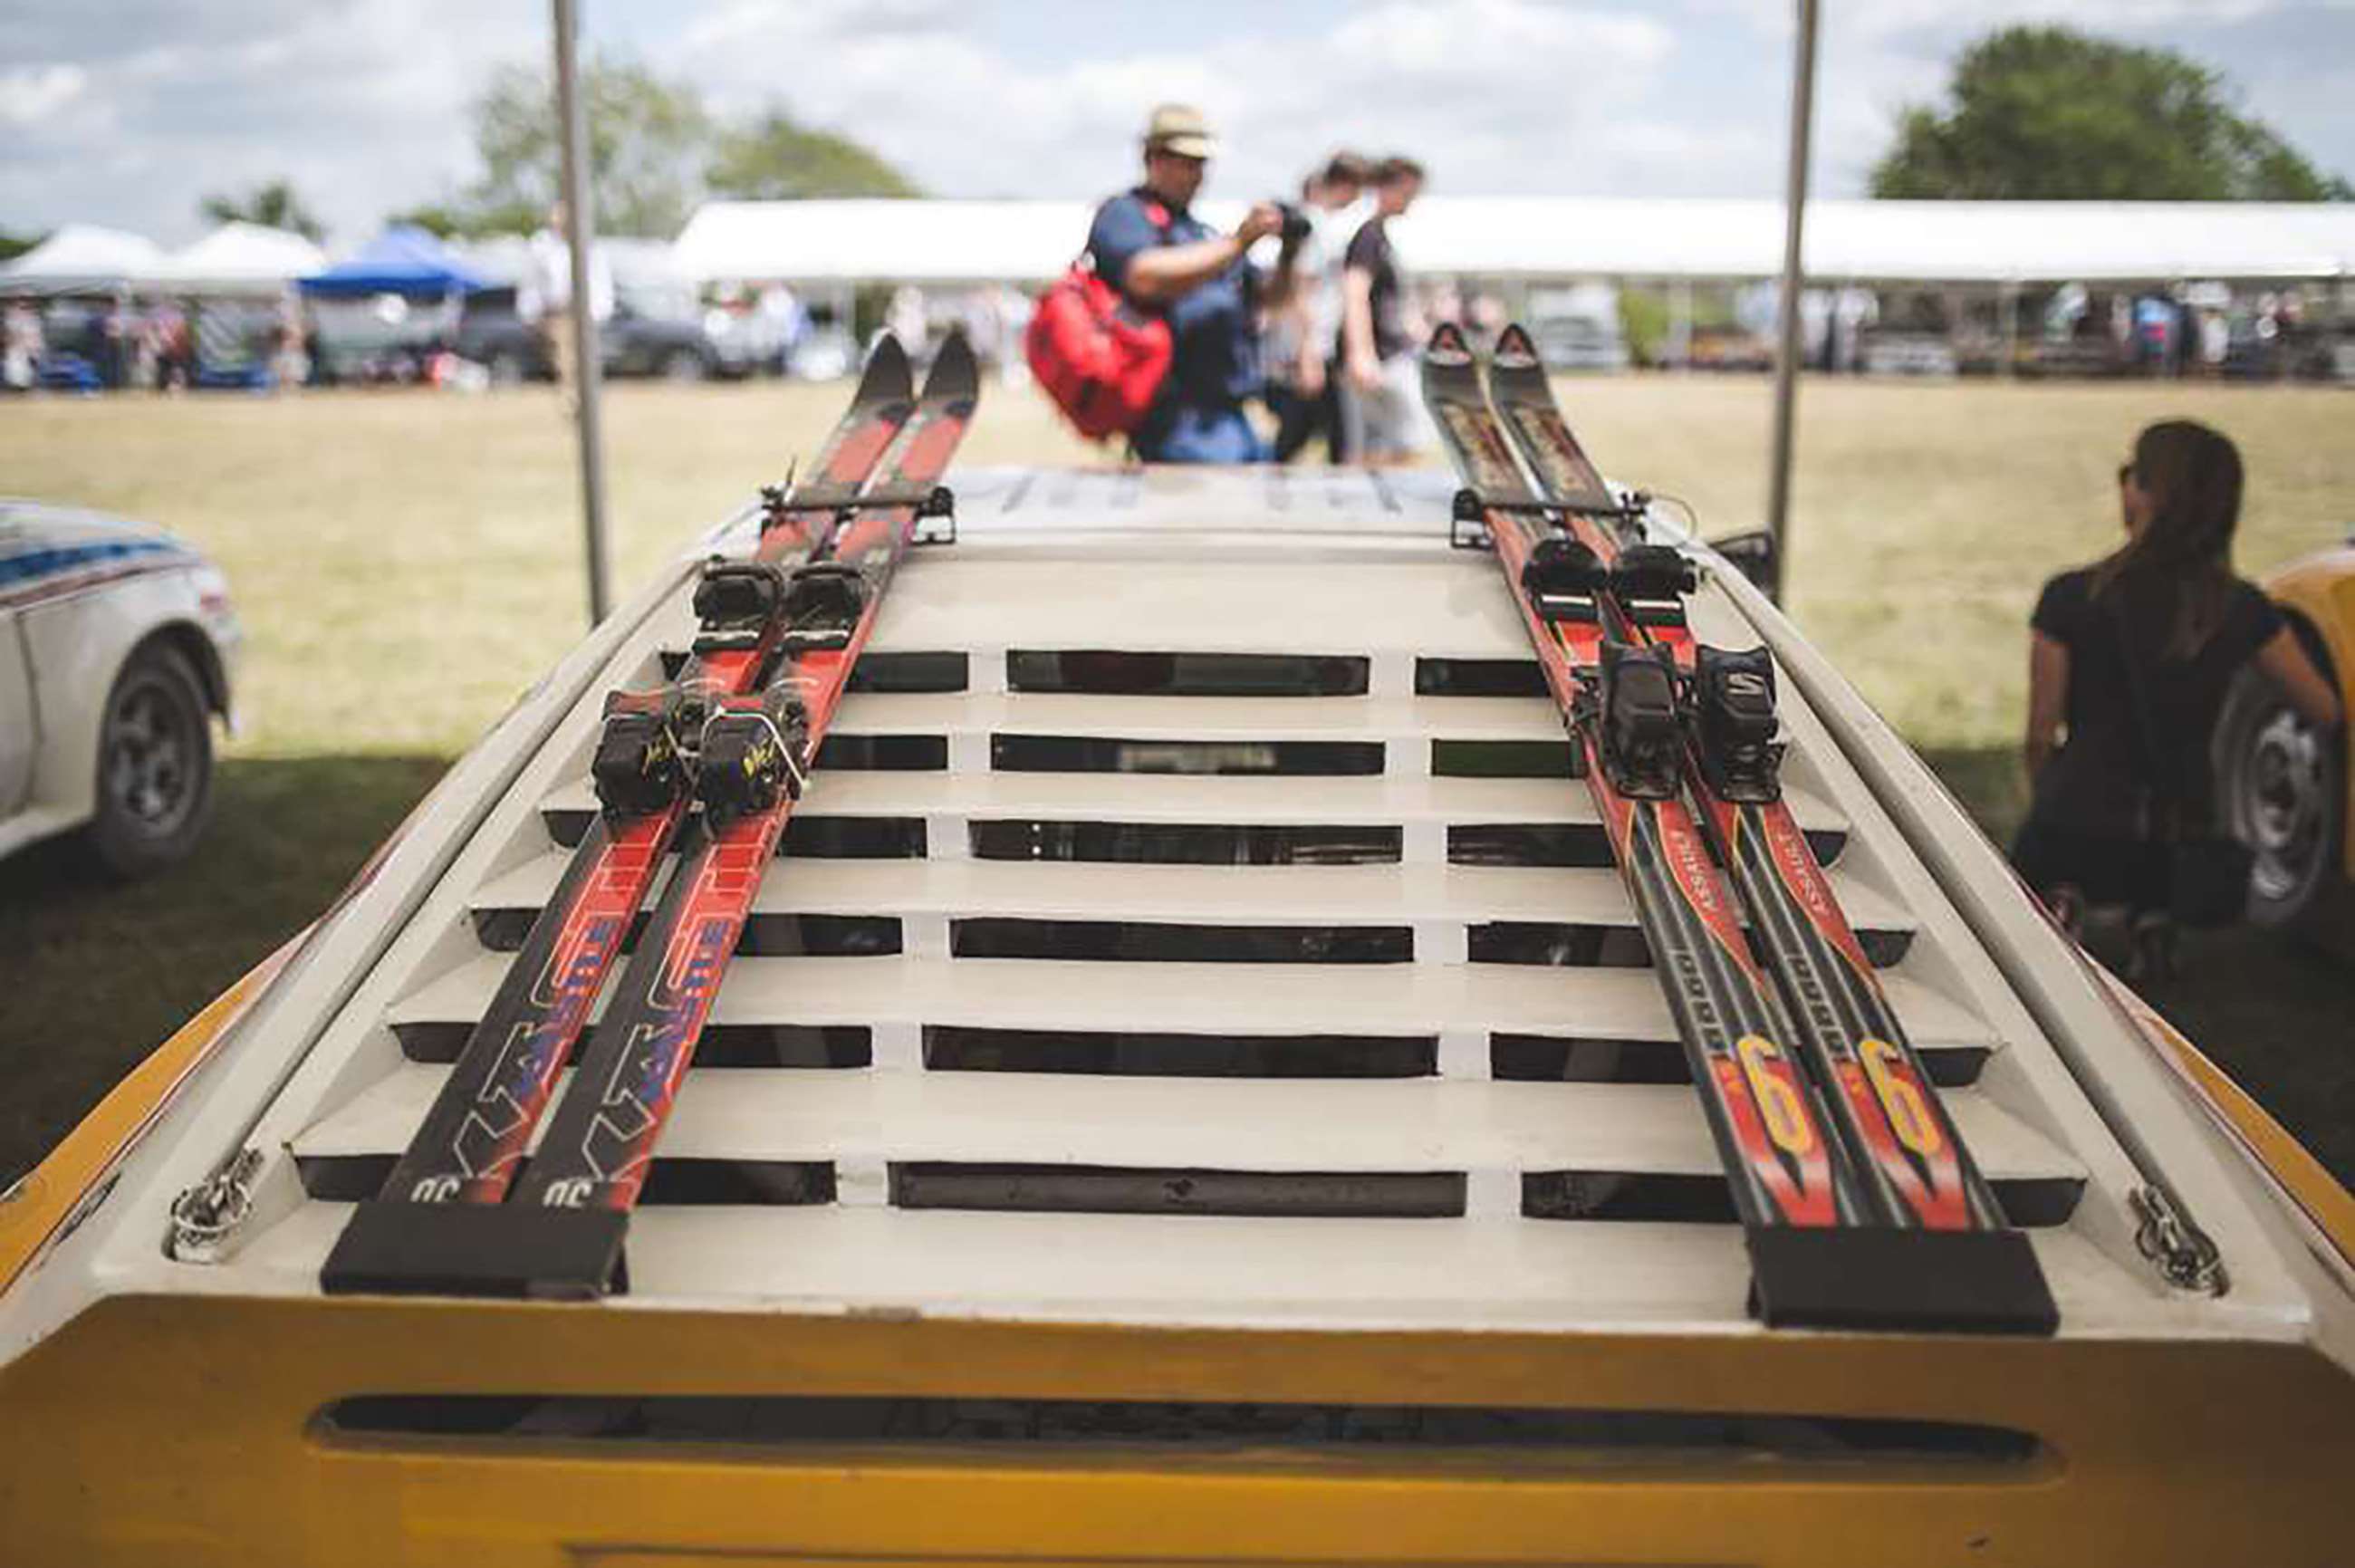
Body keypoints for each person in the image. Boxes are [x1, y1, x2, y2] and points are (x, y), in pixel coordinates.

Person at [2012, 420, 2341, 977]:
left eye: (2130, 475)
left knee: (2046, 863)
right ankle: (2152, 918)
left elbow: (2041, 732)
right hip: (2178, 827)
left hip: (2076, 819)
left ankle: (2064, 904)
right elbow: (2325, 711)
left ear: (2146, 496)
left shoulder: (2070, 597)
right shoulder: (2243, 609)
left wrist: (2043, 787)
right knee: (2154, 852)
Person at [1087, 103, 1285, 462]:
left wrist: (1290, 253)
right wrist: (1237, 243)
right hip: (1177, 419)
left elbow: (1271, 299)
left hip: (1230, 416)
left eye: (1201, 165)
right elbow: (1144, 275)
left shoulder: (1199, 231)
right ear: (1153, 158)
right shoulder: (1125, 214)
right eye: (1187, 163)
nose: (1197, 175)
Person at [1262, 152, 1368, 464]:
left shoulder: (1322, 225)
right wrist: (1308, 351)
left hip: (1313, 347)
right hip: (1308, 347)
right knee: (1316, 433)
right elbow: (1300, 288)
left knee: (1315, 431)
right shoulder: (1315, 226)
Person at [1336, 156, 1430, 466]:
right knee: (1375, 447)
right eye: (1407, 192)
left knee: (1400, 441)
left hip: (1390, 353)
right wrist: (1361, 353)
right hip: (1379, 358)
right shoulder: (1368, 236)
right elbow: (1354, 294)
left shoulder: (1381, 237)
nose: (1411, 200)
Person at [519, 203, 613, 393]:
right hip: (557, 315)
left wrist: (596, 313)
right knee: (566, 360)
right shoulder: (543, 246)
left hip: (584, 314)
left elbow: (599, 283)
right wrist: (531, 313)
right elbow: (533, 283)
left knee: (581, 361)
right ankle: (572, 395)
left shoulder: (589, 246)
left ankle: (579, 396)